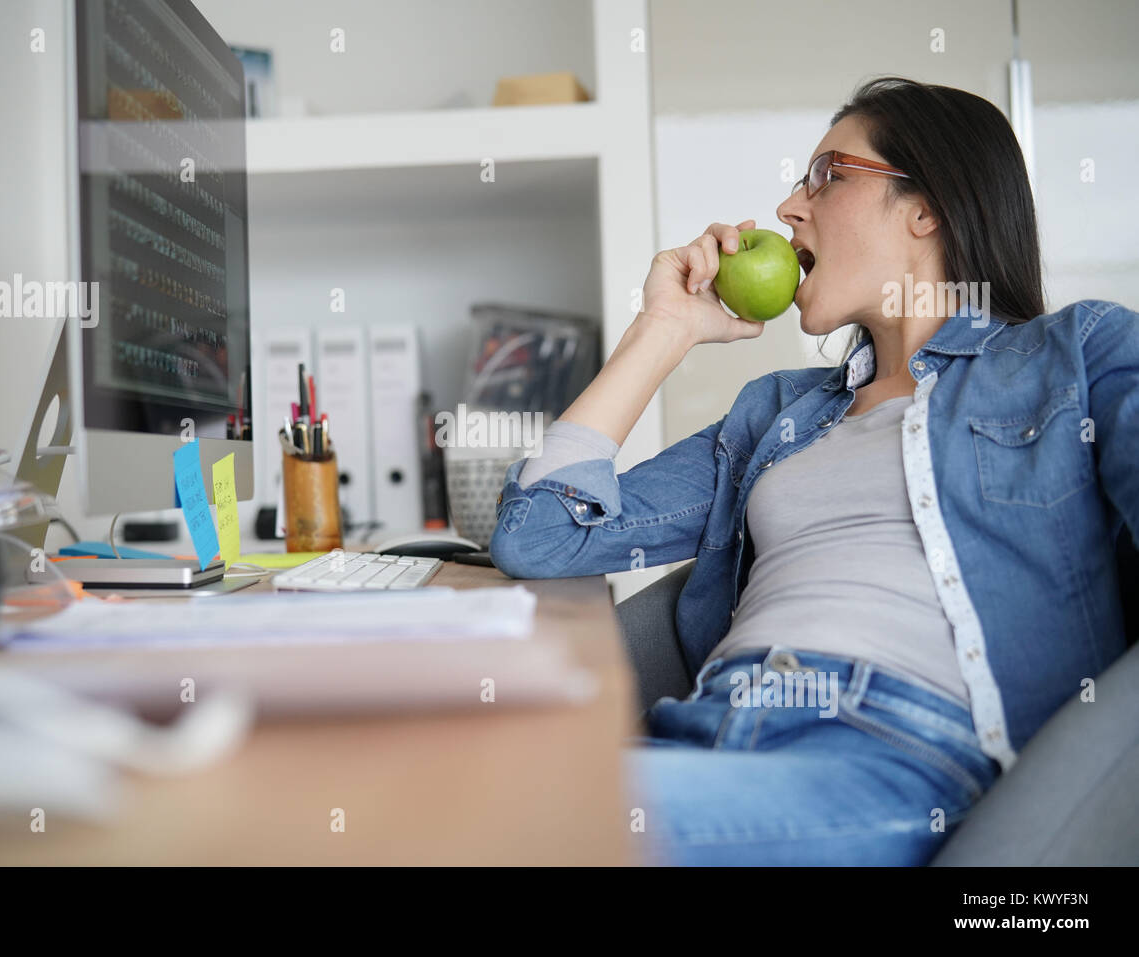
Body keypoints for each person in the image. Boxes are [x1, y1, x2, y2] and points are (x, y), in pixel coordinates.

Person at [488, 76, 1139, 865]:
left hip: (889, 752)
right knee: (415, 795)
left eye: (827, 175)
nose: (790, 207)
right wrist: (662, 327)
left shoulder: (1076, 355)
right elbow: (542, 538)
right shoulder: (775, 414)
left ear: (925, 206)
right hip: (699, 733)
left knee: (498, 828)